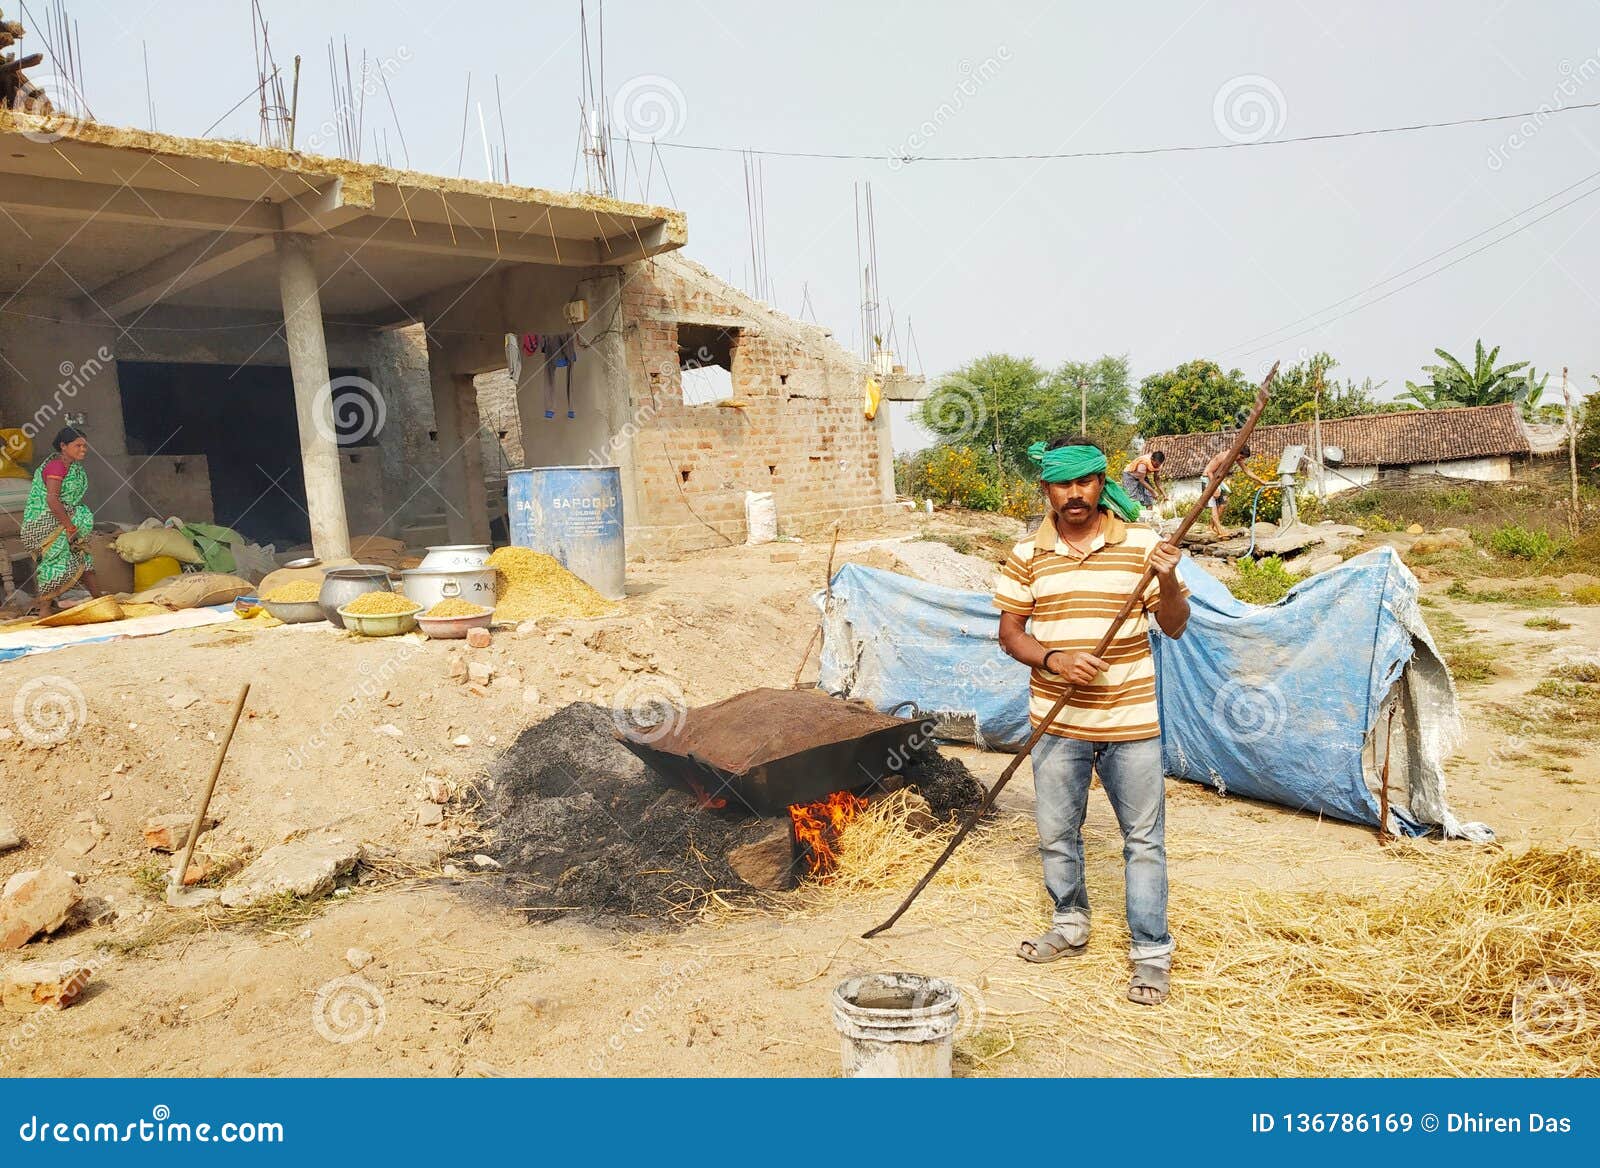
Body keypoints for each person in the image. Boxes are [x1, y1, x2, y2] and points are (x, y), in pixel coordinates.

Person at [993, 434, 1189, 1006]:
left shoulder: (1145, 546)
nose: (1075, 494)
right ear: (1047, 488)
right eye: (1063, 483)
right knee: (1057, 834)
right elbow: (1010, 636)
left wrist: (1169, 578)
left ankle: (1151, 954)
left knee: (1144, 841)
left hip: (1130, 721)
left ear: (1103, 483)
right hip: (1055, 722)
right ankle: (1070, 923)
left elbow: (1174, 626)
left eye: (1085, 481)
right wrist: (1055, 660)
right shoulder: (1026, 554)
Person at [20, 427, 100, 617]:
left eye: (85, 446)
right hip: (45, 522)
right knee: (54, 560)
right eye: (78, 445)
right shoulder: (56, 466)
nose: (83, 449)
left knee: (82, 555)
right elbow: (52, 500)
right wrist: (69, 526)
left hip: (64, 519)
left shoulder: (74, 467)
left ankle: (98, 598)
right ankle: (45, 609)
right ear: (63, 446)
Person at [1200, 443, 1269, 537]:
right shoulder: (1223, 457)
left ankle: (1211, 526)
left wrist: (1260, 480)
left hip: (1217, 480)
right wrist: (1214, 488)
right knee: (1214, 505)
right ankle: (1220, 531)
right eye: (1241, 457)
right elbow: (1209, 472)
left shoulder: (1236, 457)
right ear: (1237, 452)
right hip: (1209, 479)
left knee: (1223, 503)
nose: (1241, 460)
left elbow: (1246, 471)